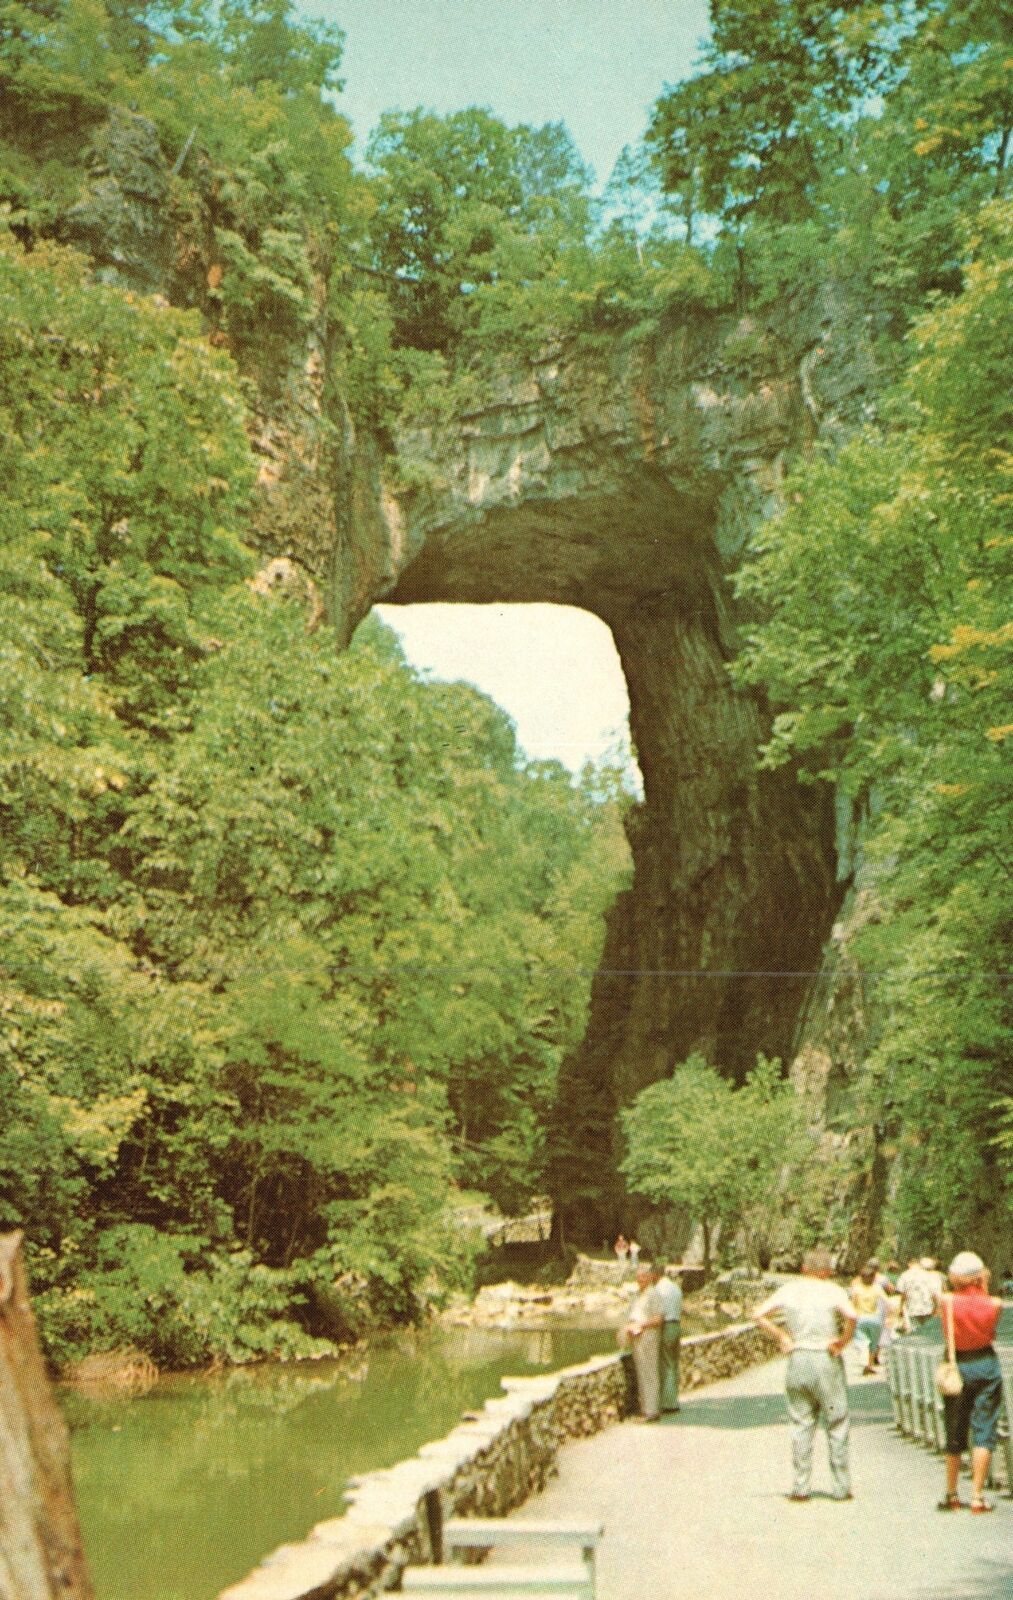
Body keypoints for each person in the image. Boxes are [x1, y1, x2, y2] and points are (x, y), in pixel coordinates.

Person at [753, 1247, 857, 1502]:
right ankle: (841, 1487)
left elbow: (757, 1314)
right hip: (825, 1356)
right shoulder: (833, 1290)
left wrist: (782, 1336)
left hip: (798, 1357)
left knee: (801, 1423)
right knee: (836, 1421)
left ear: (803, 1269)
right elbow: (852, 1316)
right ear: (828, 1271)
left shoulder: (789, 1289)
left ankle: (801, 1486)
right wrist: (842, 1341)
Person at [935, 1250, 1003, 1514]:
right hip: (985, 1362)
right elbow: (990, 1331)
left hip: (958, 1365)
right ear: (980, 1277)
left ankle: (951, 1492)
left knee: (955, 1425)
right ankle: (977, 1496)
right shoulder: (994, 1304)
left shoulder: (947, 1301)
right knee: (984, 1427)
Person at [622, 1262, 663, 1421]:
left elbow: (658, 1319)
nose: (640, 1279)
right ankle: (646, 1409)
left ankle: (652, 1411)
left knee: (649, 1372)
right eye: (638, 1277)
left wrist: (641, 1325)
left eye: (643, 1276)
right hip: (637, 1337)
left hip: (648, 1337)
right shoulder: (638, 1294)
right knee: (641, 1372)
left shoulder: (653, 1294)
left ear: (650, 1277)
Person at [652, 1265, 683, 1414]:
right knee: (674, 1364)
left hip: (667, 1327)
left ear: (655, 1274)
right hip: (677, 1325)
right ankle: (673, 1399)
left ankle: (668, 1403)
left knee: (667, 1364)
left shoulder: (659, 1289)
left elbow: (659, 1314)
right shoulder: (675, 1287)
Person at [850, 1259, 888, 1373]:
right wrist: (890, 1316)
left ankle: (864, 1360)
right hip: (875, 1318)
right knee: (874, 1343)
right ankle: (869, 1365)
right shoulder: (877, 1288)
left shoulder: (856, 1288)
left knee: (860, 1340)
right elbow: (887, 1302)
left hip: (860, 1317)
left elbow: (852, 1304)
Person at [896, 1256, 940, 1332]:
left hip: (912, 1308)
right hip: (927, 1308)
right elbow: (934, 1294)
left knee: (915, 1331)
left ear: (909, 1264)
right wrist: (936, 1307)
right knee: (927, 1331)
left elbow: (903, 1294)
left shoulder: (905, 1275)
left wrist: (901, 1307)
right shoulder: (928, 1275)